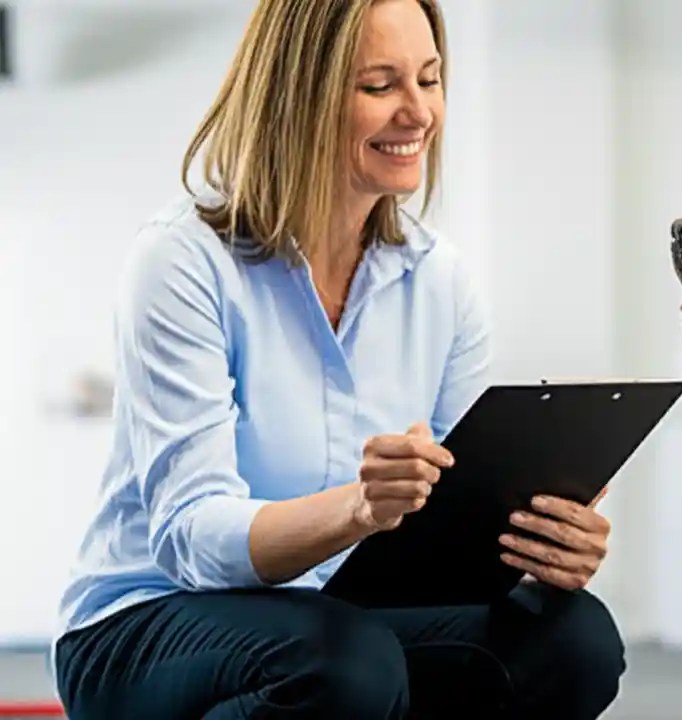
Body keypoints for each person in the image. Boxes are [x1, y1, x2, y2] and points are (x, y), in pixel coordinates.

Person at [50, 1, 626, 718]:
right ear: (300, 96)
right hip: (146, 625)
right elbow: (192, 540)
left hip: (338, 618)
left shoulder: (439, 279)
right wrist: (357, 508)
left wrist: (538, 539)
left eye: (430, 79)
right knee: (344, 659)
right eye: (379, 86)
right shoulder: (182, 261)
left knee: (573, 638)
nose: (418, 113)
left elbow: (456, 518)